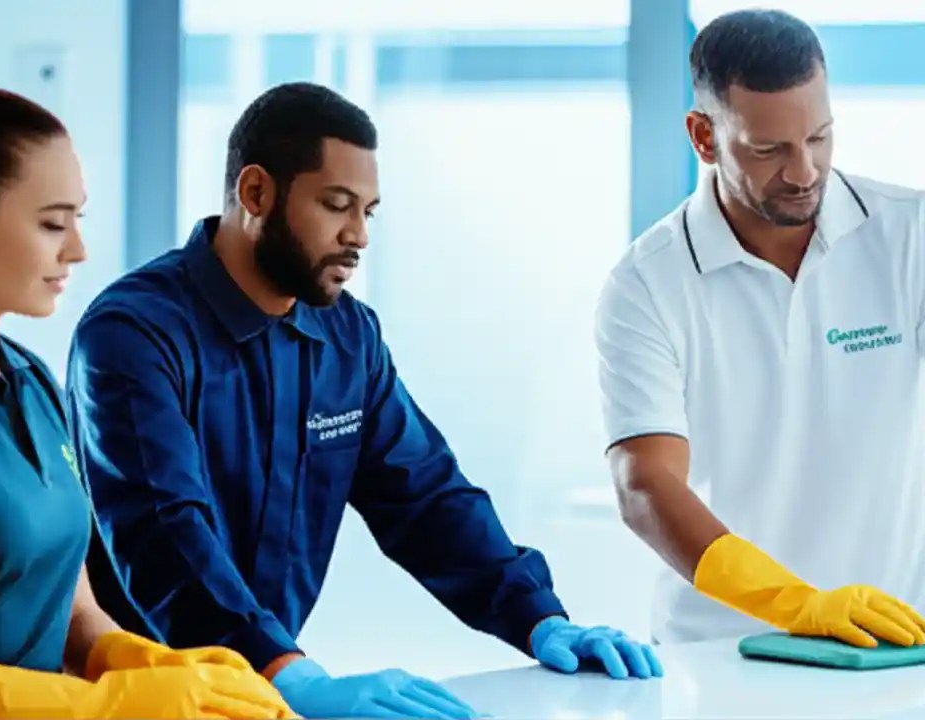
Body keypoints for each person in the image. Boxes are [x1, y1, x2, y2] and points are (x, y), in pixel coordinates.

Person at [65, 81, 663, 720]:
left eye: (368, 212)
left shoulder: (348, 336)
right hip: (135, 696)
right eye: (336, 205)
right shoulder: (133, 334)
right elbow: (162, 534)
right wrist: (287, 674)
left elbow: (427, 498)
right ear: (256, 193)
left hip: (262, 691)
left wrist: (539, 619)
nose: (358, 236)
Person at [596, 8, 925, 652]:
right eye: (768, 149)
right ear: (703, 136)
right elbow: (645, 483)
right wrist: (793, 604)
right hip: (723, 650)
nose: (804, 172)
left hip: (907, 641)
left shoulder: (912, 232)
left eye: (819, 138)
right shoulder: (645, 283)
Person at [0, 70, 293, 719]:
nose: (77, 250)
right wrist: (110, 705)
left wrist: (154, 666)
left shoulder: (31, 381)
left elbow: (73, 610)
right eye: (54, 224)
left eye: (77, 219)